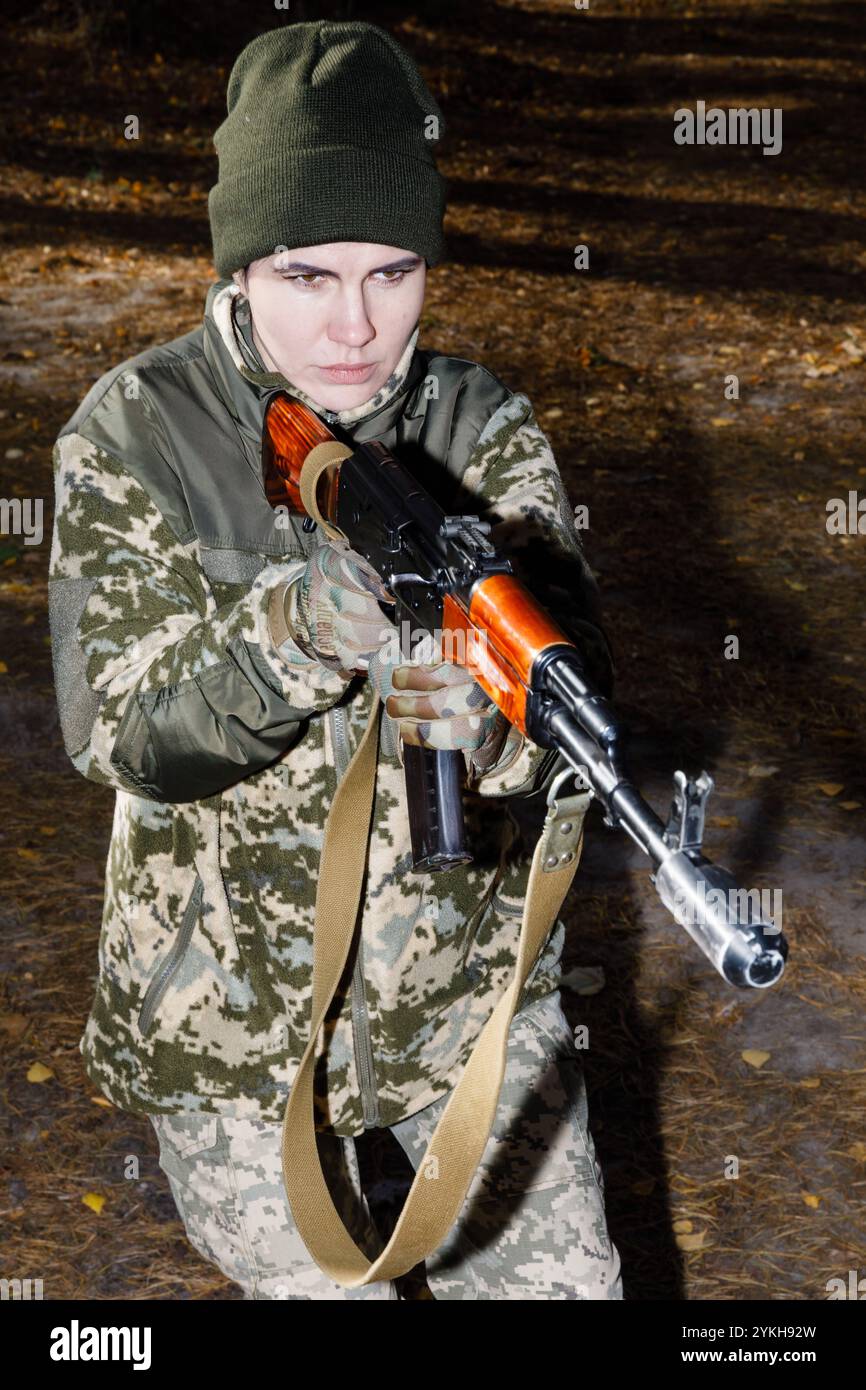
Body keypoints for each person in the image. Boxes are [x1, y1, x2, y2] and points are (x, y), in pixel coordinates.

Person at [48, 19, 623, 1300]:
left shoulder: (480, 424)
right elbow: (124, 734)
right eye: (308, 276)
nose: (357, 327)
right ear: (241, 263)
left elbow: (566, 673)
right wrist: (298, 631)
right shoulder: (138, 430)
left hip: (463, 1006)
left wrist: (495, 729)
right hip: (229, 1028)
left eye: (393, 273)